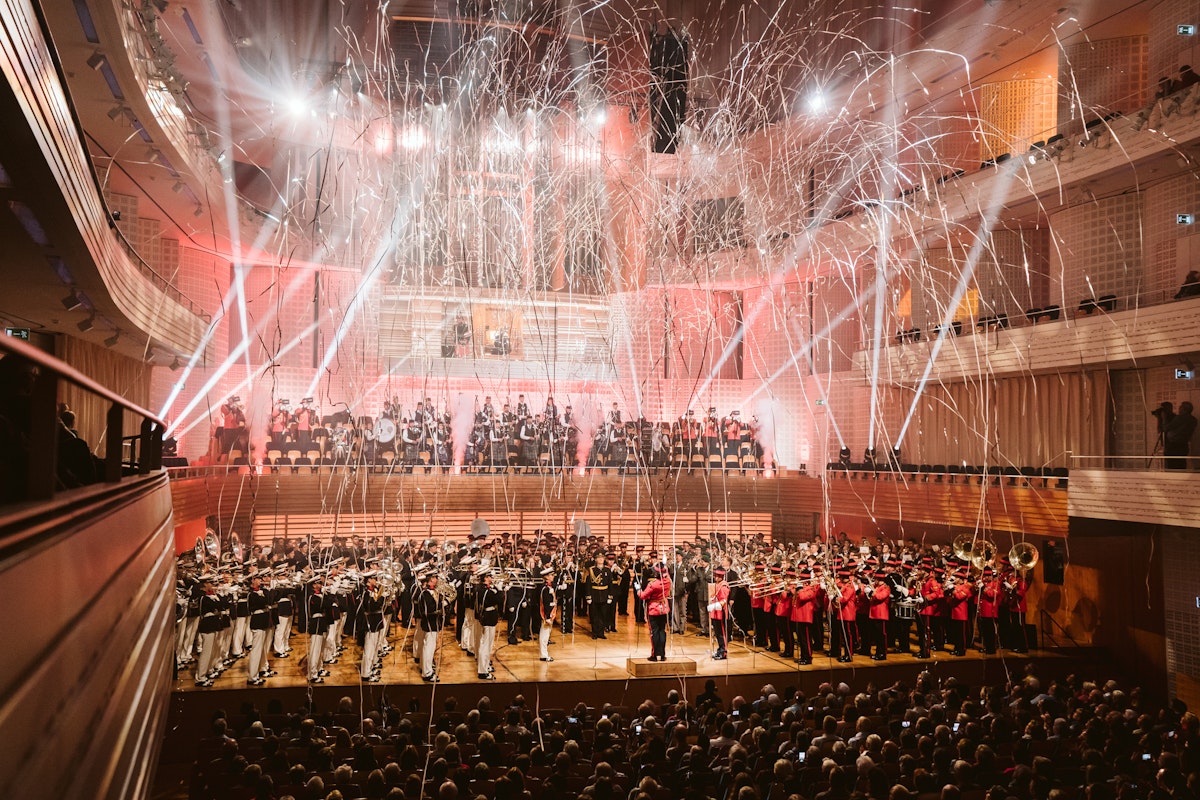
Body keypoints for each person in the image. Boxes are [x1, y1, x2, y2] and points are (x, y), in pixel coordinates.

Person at [638, 562, 672, 661]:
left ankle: (654, 654)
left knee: (654, 632)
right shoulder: (668, 581)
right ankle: (662, 654)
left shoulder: (653, 584)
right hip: (664, 608)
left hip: (654, 609)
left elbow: (643, 596)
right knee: (662, 631)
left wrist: (638, 590)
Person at [416, 572, 445, 681]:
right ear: (429, 580)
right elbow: (429, 610)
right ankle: (427, 673)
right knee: (429, 648)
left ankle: (425, 667)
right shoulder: (425, 594)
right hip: (430, 624)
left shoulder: (433, 592)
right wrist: (442, 604)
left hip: (433, 624)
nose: (436, 579)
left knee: (427, 647)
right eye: (434, 578)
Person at [475, 570, 501, 680]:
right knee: (485, 645)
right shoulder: (484, 591)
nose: (492, 577)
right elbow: (497, 600)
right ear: (485, 578)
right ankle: (482, 670)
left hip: (491, 617)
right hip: (488, 617)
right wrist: (499, 590)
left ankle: (486, 666)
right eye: (489, 576)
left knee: (488, 645)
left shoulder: (487, 589)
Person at [1164, 401, 1197, 469]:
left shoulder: (1180, 418)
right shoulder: (1194, 420)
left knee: (1172, 467)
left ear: (1184, 409)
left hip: (1174, 447)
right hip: (1184, 446)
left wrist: (1163, 418)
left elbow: (1166, 428)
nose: (1179, 408)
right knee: (1181, 466)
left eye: (1180, 407)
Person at [709, 566, 730, 659]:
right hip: (716, 611)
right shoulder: (718, 584)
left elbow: (724, 600)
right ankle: (720, 649)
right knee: (717, 633)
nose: (715, 577)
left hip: (721, 612)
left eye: (716, 575)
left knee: (721, 633)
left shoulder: (724, 586)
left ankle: (723, 652)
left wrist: (713, 606)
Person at [538, 568, 557, 662]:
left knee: (546, 635)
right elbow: (545, 604)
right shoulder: (545, 589)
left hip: (550, 613)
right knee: (544, 636)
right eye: (551, 575)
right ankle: (544, 655)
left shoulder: (549, 587)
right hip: (546, 614)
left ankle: (544, 654)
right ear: (546, 577)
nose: (553, 577)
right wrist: (548, 616)